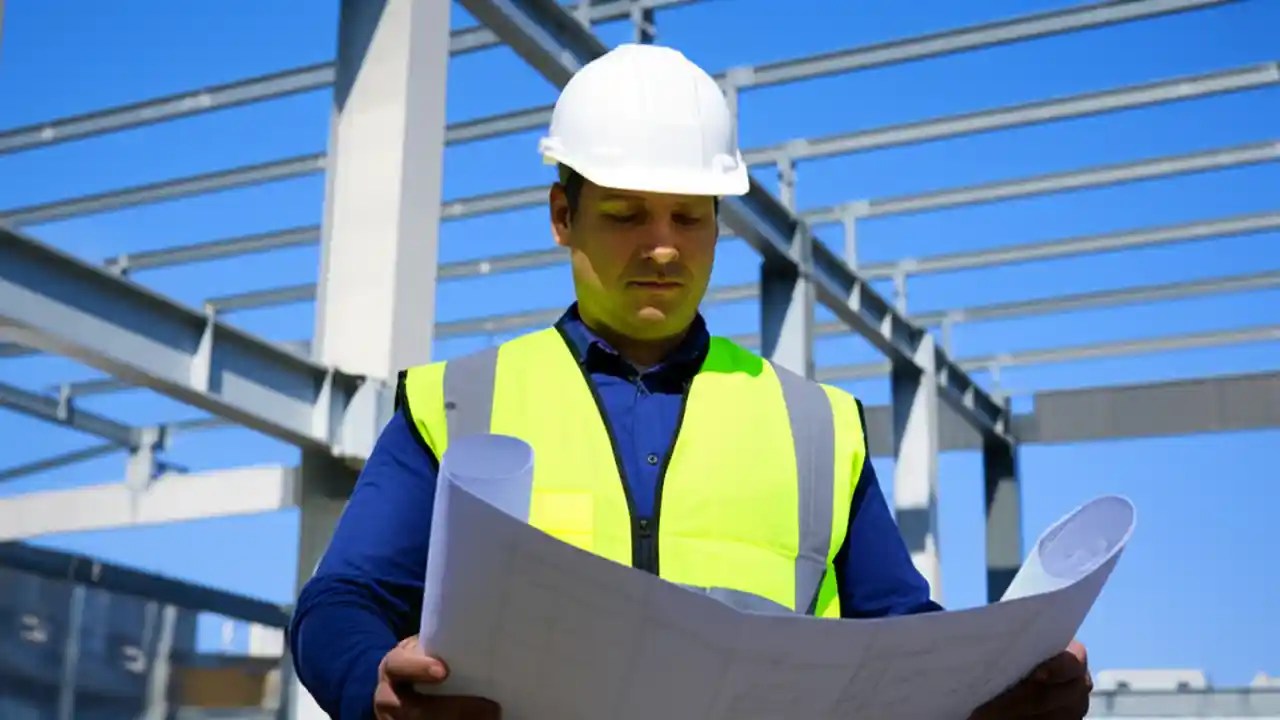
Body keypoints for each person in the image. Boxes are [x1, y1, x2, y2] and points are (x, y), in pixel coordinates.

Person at [288, 43, 1093, 720]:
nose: (664, 247)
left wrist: (996, 689)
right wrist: (371, 679)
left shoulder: (818, 427)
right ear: (562, 215)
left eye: (690, 216)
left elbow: (903, 639)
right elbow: (340, 602)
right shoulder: (456, 404)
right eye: (628, 214)